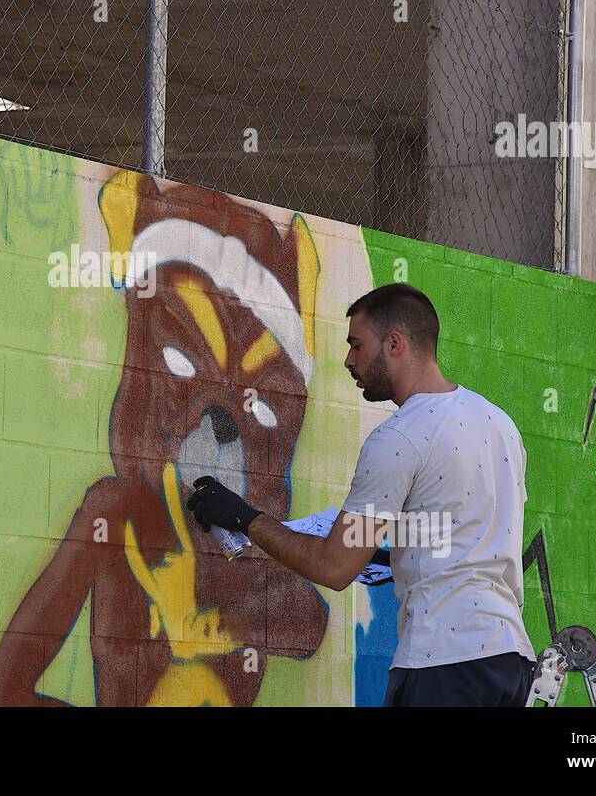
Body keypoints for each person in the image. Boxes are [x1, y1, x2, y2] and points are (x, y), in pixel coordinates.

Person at [188, 282, 537, 706]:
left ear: (395, 343)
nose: (349, 360)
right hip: (509, 660)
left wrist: (246, 518)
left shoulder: (399, 437)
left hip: (443, 662)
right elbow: (463, 536)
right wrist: (390, 556)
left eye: (357, 345)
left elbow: (334, 567)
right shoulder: (500, 425)